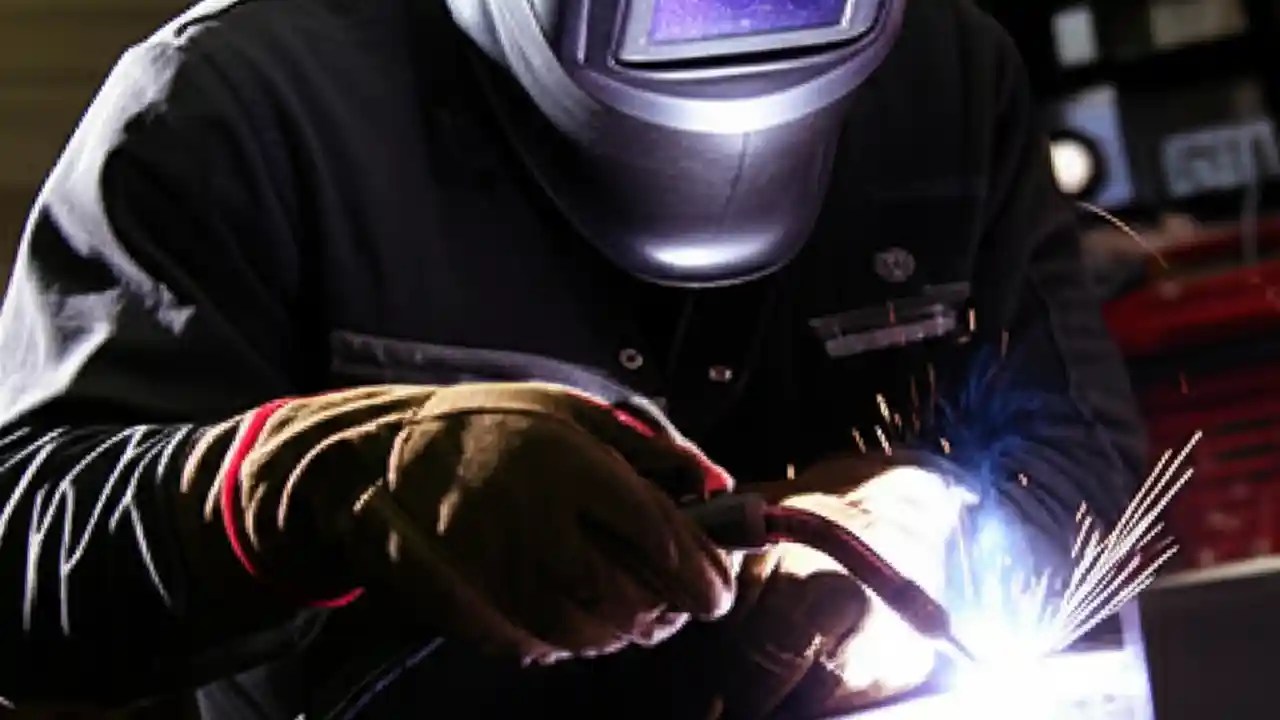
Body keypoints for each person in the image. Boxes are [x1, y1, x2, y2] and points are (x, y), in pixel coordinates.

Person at [0, 0, 1147, 717]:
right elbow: (23, 558)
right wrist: (332, 482)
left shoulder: (947, 78)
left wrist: (926, 529)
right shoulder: (237, 107)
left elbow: (1080, 461)